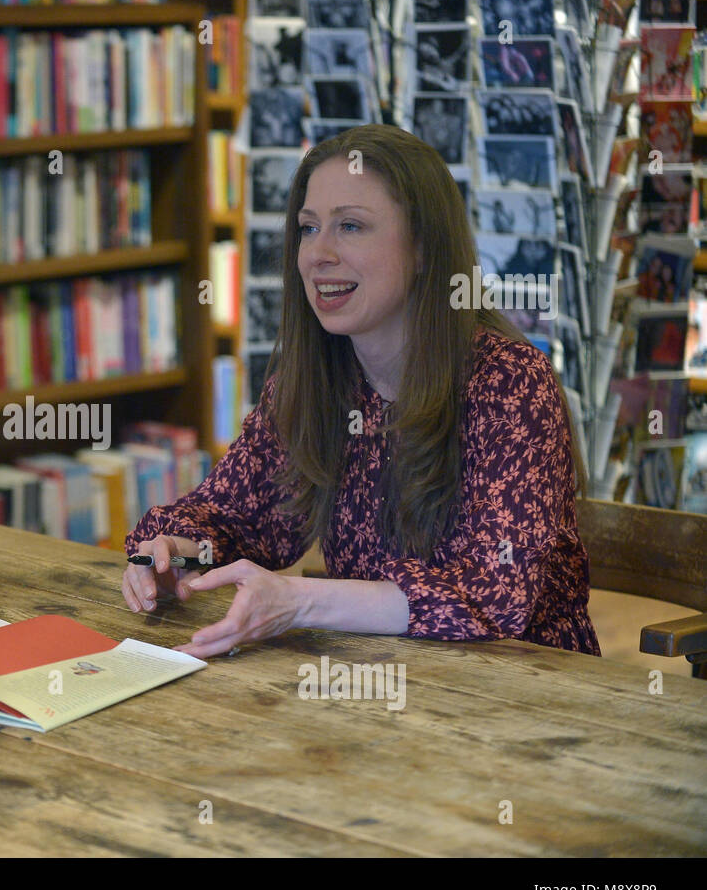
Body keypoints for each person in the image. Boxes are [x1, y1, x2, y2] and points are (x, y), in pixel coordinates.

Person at [123, 124, 599, 660]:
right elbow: (235, 517)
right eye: (307, 228)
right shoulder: (316, 380)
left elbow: (494, 594)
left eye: (350, 226)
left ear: (423, 248)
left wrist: (301, 601)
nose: (317, 254)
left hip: (524, 696)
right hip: (373, 683)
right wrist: (176, 555)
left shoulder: (510, 383)